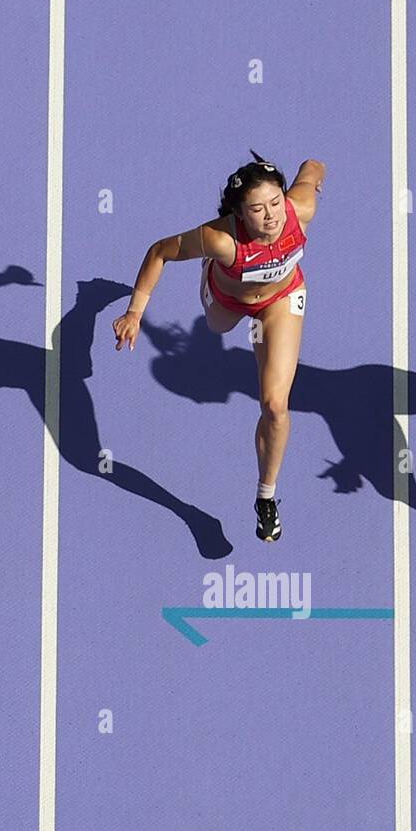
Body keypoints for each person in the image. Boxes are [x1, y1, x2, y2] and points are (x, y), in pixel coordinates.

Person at [112, 150, 325, 541]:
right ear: (240, 214)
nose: (272, 215)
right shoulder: (221, 240)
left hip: (281, 299)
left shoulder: (301, 208)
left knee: (275, 406)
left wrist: (314, 172)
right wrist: (134, 312)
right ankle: (210, 274)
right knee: (216, 329)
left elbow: (312, 168)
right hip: (226, 301)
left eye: (276, 202)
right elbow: (160, 251)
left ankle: (266, 497)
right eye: (258, 209)